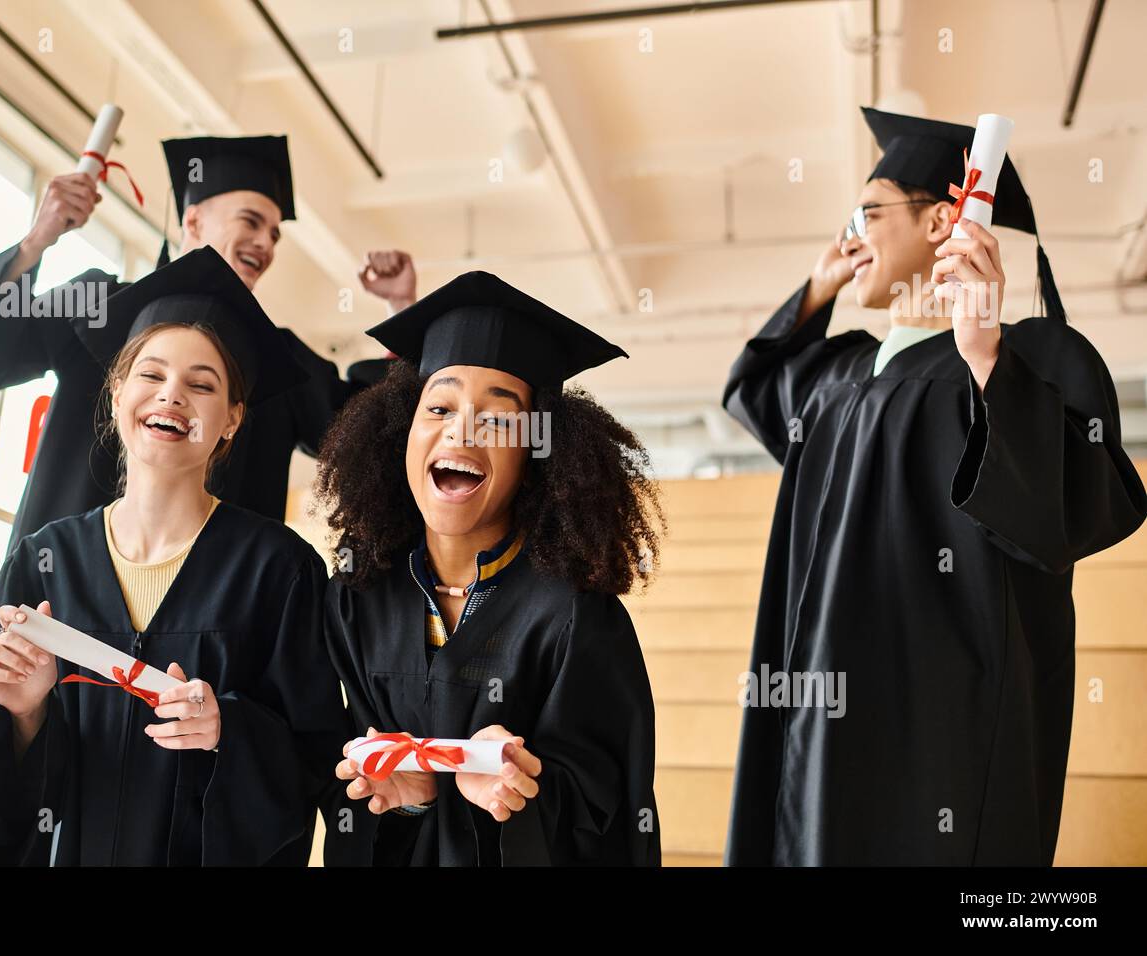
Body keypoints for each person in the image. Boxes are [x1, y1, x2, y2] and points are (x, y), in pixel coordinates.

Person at [722, 107, 1147, 866]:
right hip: (811, 721)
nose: (850, 236)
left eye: (868, 212)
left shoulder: (1030, 360)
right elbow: (750, 385)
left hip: (933, 741)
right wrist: (816, 289)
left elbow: (1072, 511)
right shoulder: (836, 376)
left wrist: (986, 355)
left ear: (942, 220)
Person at [0, 247, 351, 866]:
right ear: (115, 393)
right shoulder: (45, 559)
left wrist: (227, 734)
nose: (171, 397)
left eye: (202, 384)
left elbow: (317, 761)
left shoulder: (279, 569)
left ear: (233, 418)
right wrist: (24, 713)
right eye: (151, 375)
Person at [315, 271, 665, 865]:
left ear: (538, 455)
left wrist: (523, 793)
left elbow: (611, 804)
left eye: (500, 419)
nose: (462, 429)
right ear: (403, 433)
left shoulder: (575, 616)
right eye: (440, 407)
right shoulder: (356, 599)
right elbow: (329, 773)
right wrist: (409, 801)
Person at [0, 134, 414, 551]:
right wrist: (38, 240)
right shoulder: (96, 308)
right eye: (250, 221)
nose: (266, 244)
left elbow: (370, 428)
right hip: (57, 613)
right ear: (193, 221)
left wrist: (401, 311)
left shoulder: (274, 358)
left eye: (274, 235)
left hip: (208, 640)